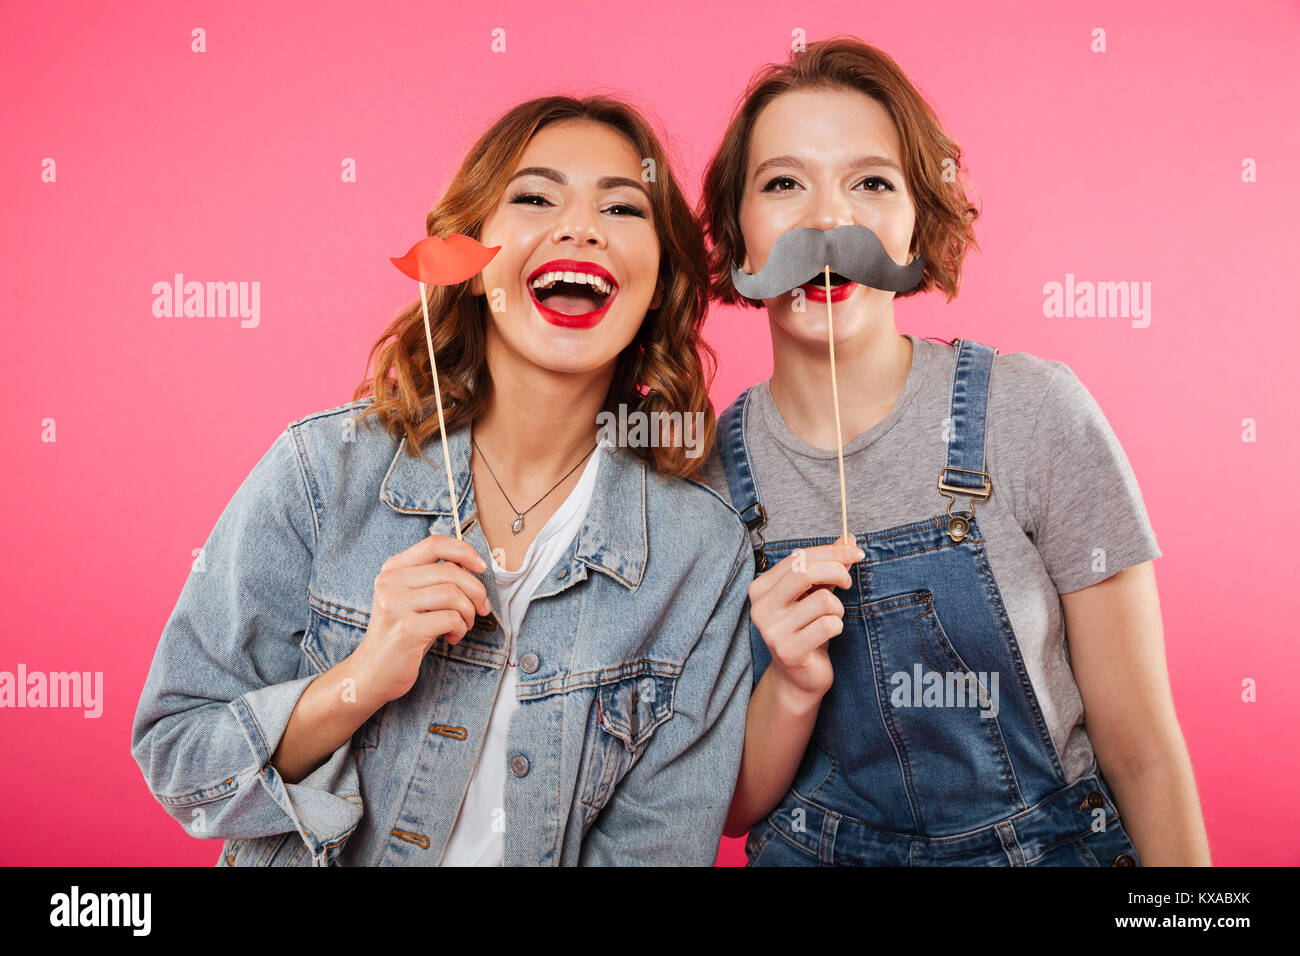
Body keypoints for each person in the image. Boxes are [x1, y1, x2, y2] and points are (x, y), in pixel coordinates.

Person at [131, 94, 754, 866]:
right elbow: (181, 760)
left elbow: (658, 848)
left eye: (622, 208)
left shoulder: (700, 548)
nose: (581, 227)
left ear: (658, 282)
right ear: (470, 259)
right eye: (534, 197)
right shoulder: (322, 473)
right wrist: (363, 677)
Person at [695, 36, 1211, 865]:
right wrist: (791, 684)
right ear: (735, 230)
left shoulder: (1033, 411)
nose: (828, 221)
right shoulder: (708, 480)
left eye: (871, 183)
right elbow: (733, 805)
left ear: (914, 225)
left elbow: (1143, 749)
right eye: (784, 183)